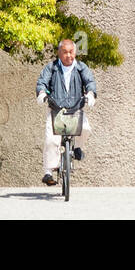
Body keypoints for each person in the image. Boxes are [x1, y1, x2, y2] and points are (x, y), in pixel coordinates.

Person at [35, 38, 97, 186]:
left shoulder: (81, 68)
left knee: (86, 129)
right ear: (59, 53)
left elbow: (90, 82)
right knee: (51, 140)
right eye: (65, 52)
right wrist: (42, 94)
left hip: (75, 109)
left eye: (71, 52)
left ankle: (76, 148)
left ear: (75, 52)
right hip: (56, 110)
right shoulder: (52, 68)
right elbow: (42, 82)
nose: (68, 55)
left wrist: (91, 94)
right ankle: (49, 172)